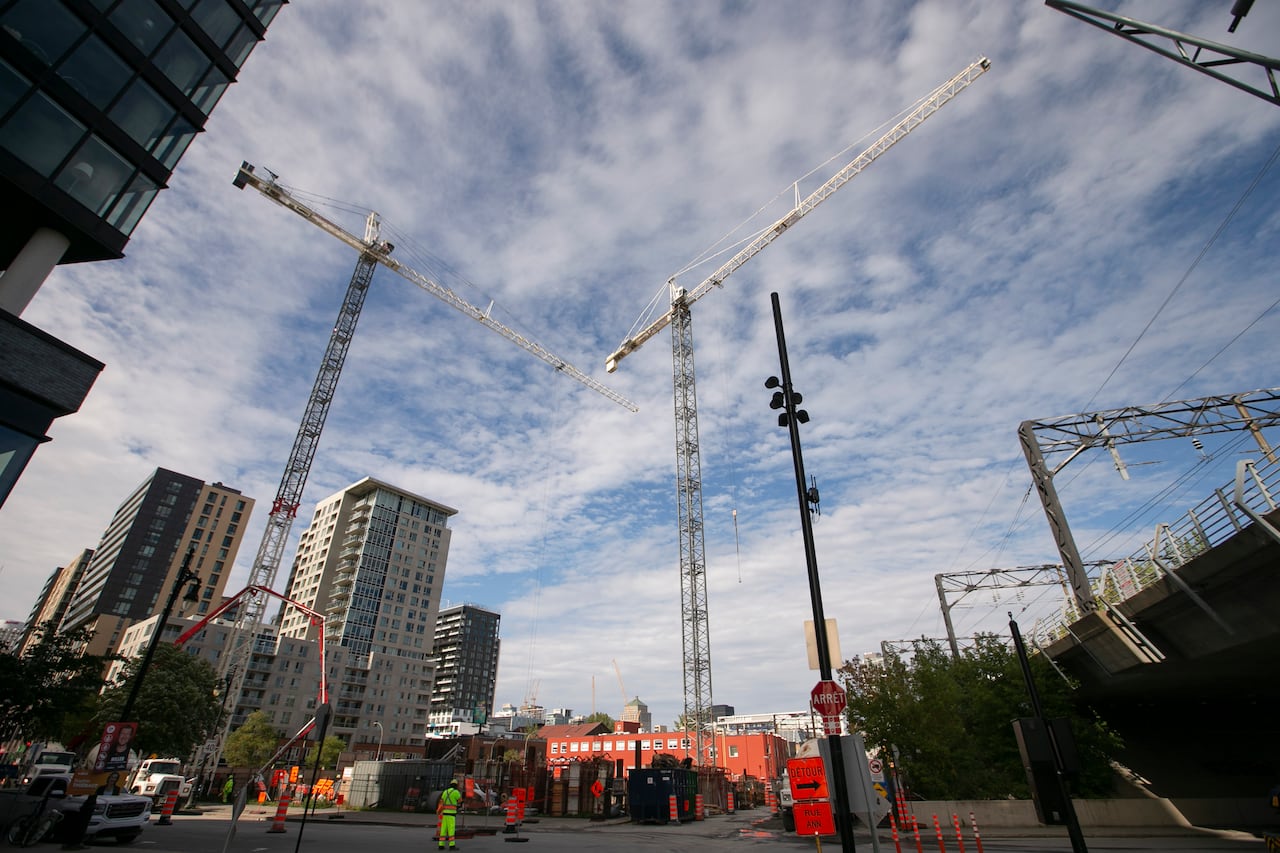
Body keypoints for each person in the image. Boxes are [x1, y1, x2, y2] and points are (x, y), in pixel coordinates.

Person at [435, 779, 463, 850]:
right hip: (451, 814)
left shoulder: (445, 792)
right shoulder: (456, 792)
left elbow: (441, 802)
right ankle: (452, 845)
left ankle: (441, 845)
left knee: (443, 829)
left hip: (444, 814)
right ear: (456, 785)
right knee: (451, 830)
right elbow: (460, 801)